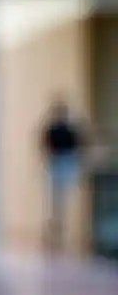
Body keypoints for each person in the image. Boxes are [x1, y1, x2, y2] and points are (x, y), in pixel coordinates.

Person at [41, 99, 87, 251]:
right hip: (56, 164)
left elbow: (78, 146)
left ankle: (62, 229)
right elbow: (45, 146)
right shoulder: (53, 129)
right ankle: (56, 229)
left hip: (65, 164)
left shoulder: (69, 130)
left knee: (62, 199)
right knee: (56, 200)